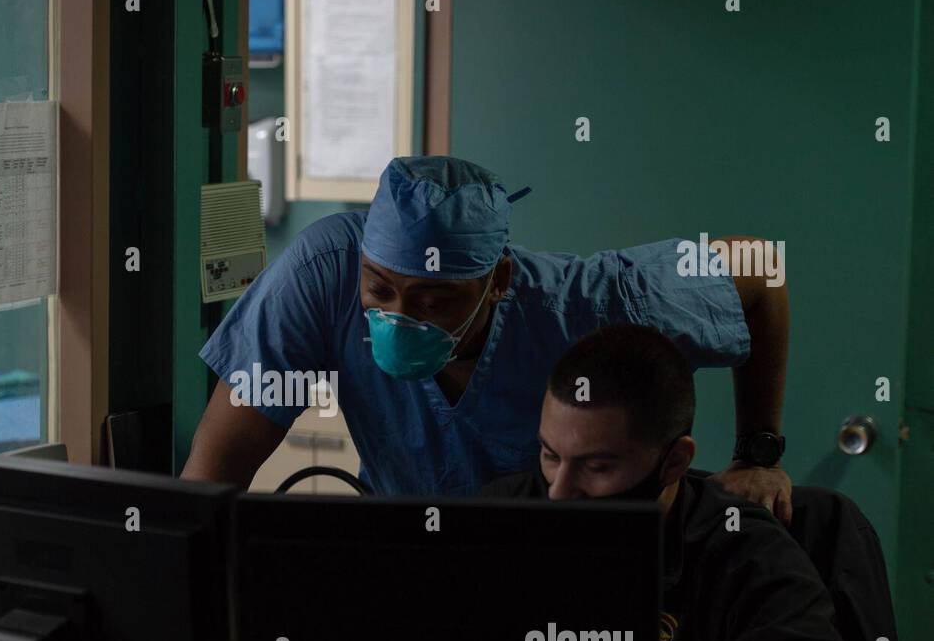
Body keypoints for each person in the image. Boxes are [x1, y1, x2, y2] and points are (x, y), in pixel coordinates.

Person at [182, 156, 793, 522]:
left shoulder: (583, 305)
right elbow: (213, 472)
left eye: (433, 298)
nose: (400, 316)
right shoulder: (326, 272)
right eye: (381, 290)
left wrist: (758, 452)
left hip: (548, 567)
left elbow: (762, 270)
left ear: (495, 280)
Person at [478, 323, 866, 641]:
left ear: (675, 461)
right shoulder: (499, 517)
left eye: (598, 466)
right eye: (550, 455)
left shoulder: (744, 554)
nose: (560, 493)